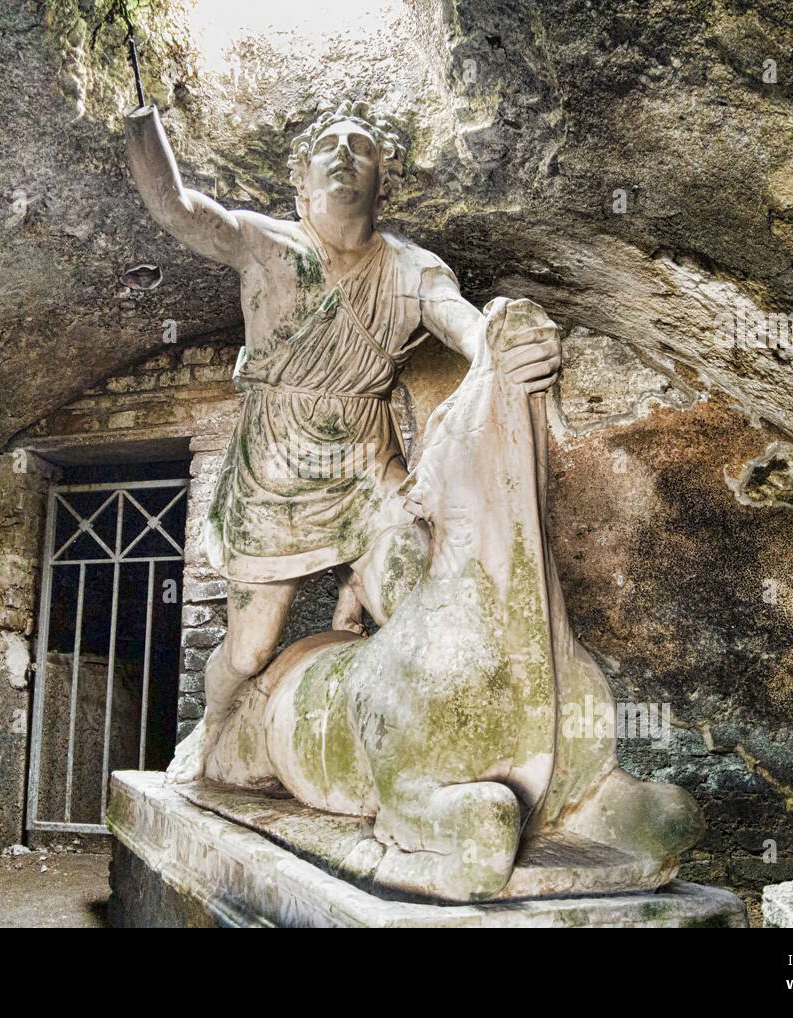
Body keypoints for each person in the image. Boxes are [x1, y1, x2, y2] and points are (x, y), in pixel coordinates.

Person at [123, 100, 562, 780]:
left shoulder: (415, 269)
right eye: (329, 146)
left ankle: (415, 767)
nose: (347, 155)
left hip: (367, 470)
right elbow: (176, 205)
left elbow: (467, 329)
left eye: (363, 148)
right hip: (274, 474)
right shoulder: (265, 243)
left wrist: (508, 346)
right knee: (247, 650)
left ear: (382, 180)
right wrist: (138, 116)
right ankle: (211, 730)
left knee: (424, 607)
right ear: (301, 181)